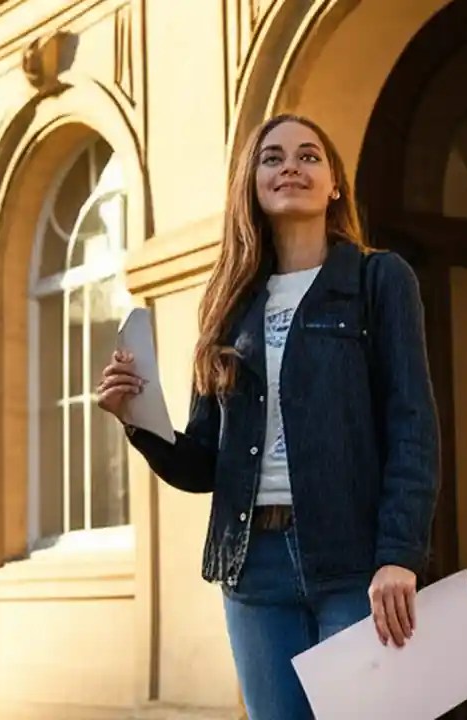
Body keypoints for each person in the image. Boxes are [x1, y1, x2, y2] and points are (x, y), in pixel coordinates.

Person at [95, 114, 439, 719]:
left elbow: (412, 423)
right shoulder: (230, 304)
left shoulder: (377, 279)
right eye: (272, 158)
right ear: (251, 183)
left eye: (309, 157)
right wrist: (137, 420)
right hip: (252, 567)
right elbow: (205, 462)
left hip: (354, 562)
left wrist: (399, 555)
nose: (290, 168)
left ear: (334, 184)